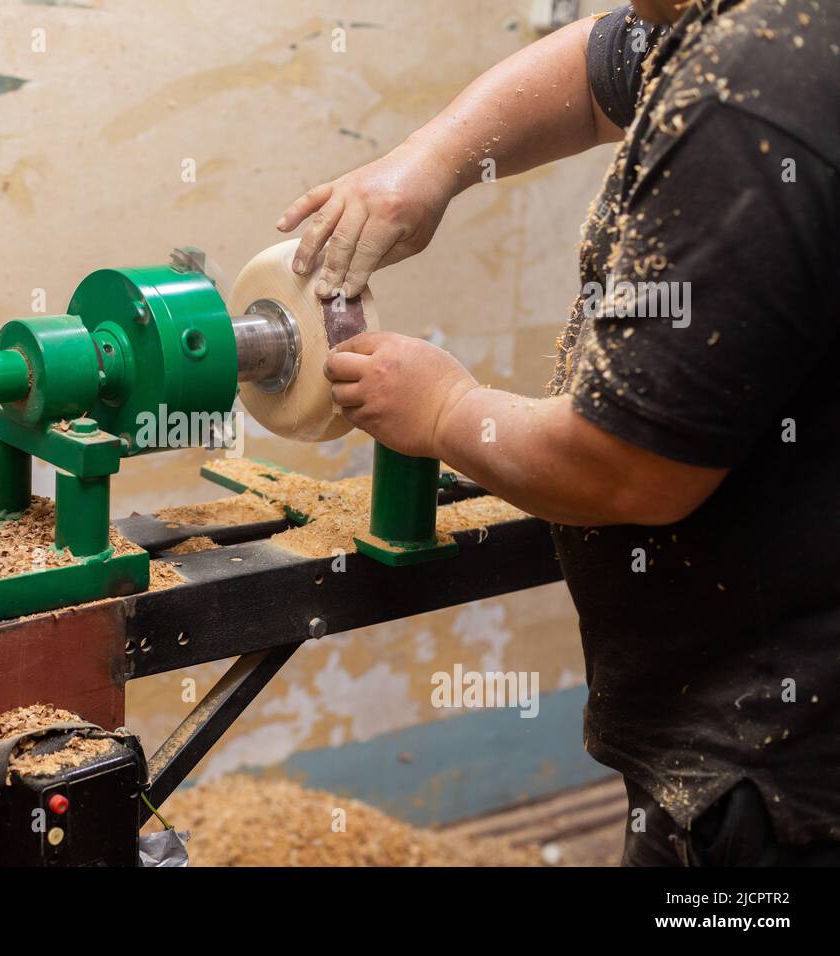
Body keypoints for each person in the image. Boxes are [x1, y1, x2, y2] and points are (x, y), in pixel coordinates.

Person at [277, 0, 839, 865]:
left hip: (778, 771)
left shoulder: (749, 94)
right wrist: (426, 165)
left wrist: (445, 412)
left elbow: (630, 471)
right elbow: (598, 67)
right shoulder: (754, 24)